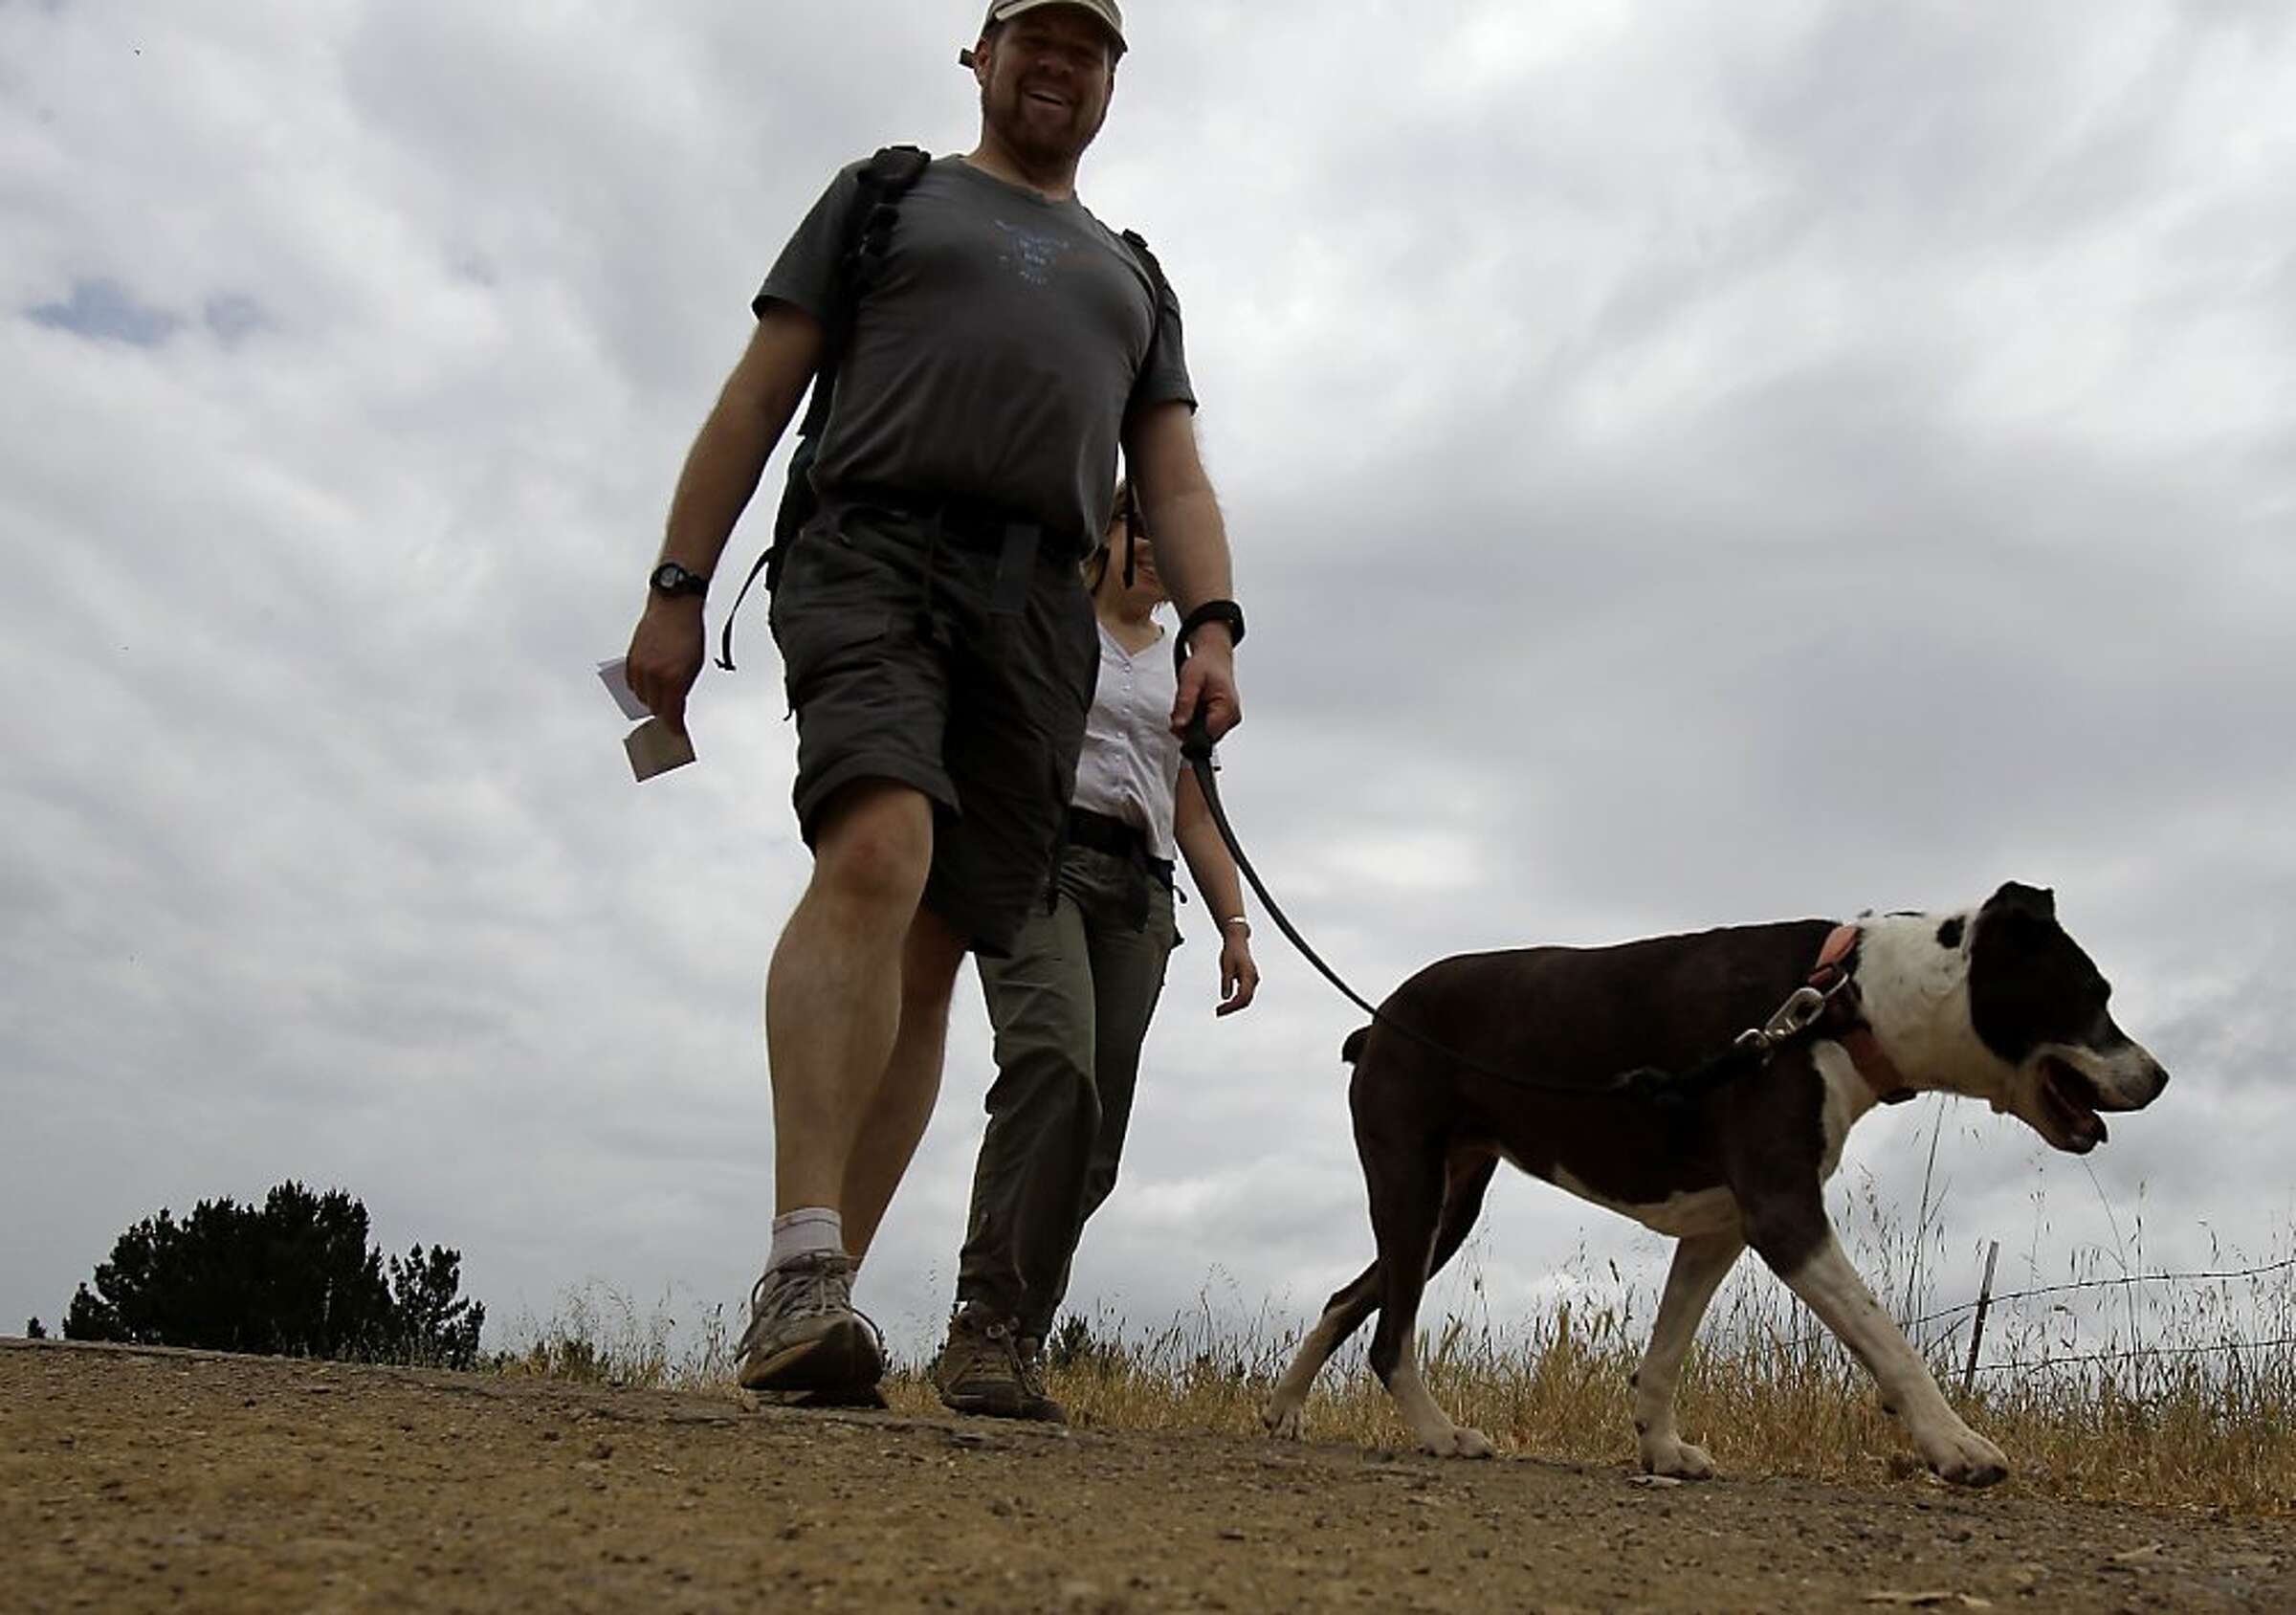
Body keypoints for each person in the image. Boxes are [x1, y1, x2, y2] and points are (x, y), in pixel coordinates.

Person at [620, 0, 1246, 1408]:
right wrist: (676, 582)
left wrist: (1211, 627)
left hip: (1039, 612)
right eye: (1034, 34)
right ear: (982, 54)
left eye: (1088, 47)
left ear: (1113, 82)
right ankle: (801, 1261)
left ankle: (808, 1306)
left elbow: (1178, 477)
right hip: (872, 552)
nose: (1058, 62)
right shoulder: (885, 198)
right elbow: (756, 397)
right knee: (878, 849)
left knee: (937, 943)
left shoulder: (1134, 279)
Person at [933, 483, 1261, 1421]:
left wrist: (1234, 924)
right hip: (1038, 862)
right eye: (1138, 527)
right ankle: (981, 1319)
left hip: (1140, 893)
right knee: (1052, 1064)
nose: (1156, 548)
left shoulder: (1187, 668)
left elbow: (1193, 810)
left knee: (1097, 1141)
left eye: (1170, 536)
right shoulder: (1049, 620)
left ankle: (1020, 1337)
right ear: (1103, 533)